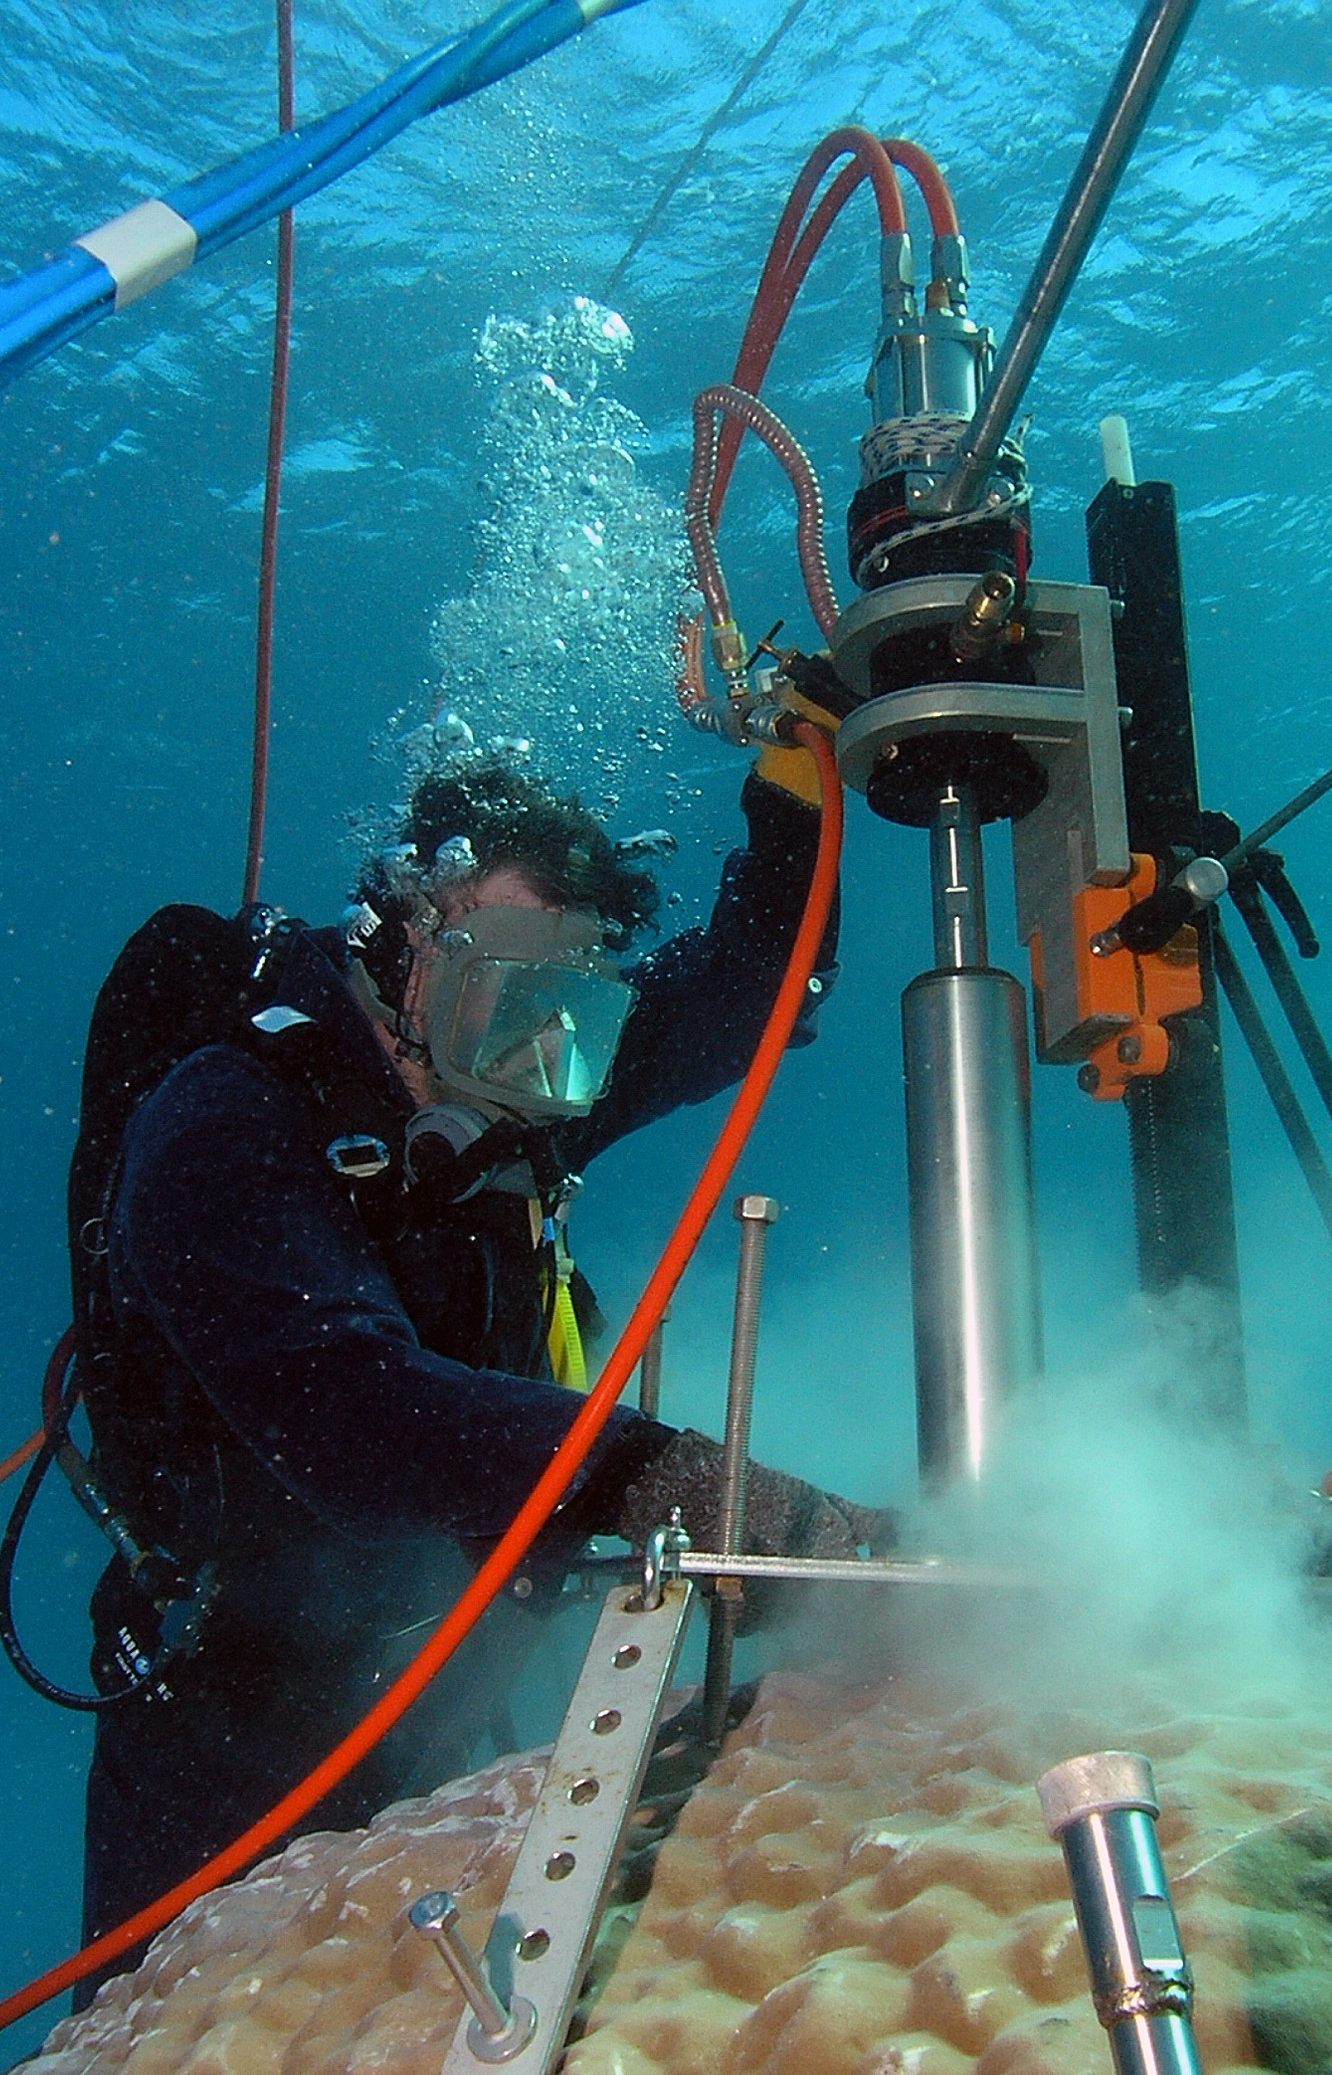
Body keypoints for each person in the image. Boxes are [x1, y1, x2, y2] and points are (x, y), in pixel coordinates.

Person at [73, 714, 882, 1968]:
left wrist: (796, 782)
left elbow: (754, 984)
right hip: (229, 1720)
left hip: (436, 1685)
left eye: (582, 1006)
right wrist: (654, 1473)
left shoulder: (509, 1088)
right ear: (405, 951)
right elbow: (349, 1412)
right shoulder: (225, 1121)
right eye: (511, 992)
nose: (548, 1055)